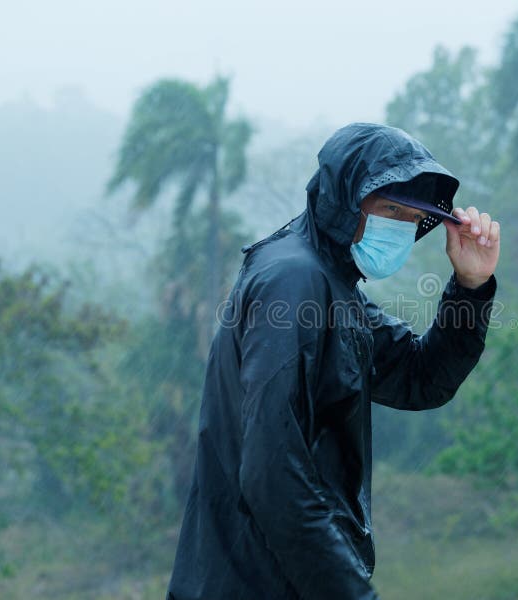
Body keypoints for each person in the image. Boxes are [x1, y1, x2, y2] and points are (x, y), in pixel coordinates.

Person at [166, 122, 500, 600]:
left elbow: (421, 377)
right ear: (342, 200)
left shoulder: (332, 289)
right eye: (389, 207)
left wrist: (472, 287)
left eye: (411, 217)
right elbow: (272, 476)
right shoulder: (294, 281)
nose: (400, 225)